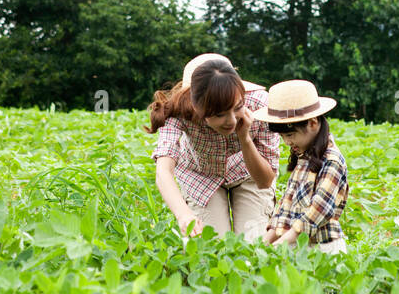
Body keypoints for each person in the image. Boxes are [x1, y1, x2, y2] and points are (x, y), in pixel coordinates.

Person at [145, 54, 280, 240]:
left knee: (255, 245)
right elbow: (163, 172)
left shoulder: (261, 105)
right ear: (195, 106)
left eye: (237, 107)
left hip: (247, 174)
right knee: (211, 247)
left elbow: (264, 181)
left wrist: (245, 139)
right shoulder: (176, 112)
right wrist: (183, 214)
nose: (231, 121)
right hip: (200, 176)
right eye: (219, 114)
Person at [254, 79, 348, 254]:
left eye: (290, 134)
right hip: (296, 246)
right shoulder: (303, 156)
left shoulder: (332, 160)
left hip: (323, 248)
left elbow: (319, 211)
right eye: (283, 136)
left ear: (312, 123)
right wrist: (264, 243)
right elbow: (286, 206)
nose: (287, 142)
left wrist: (280, 243)